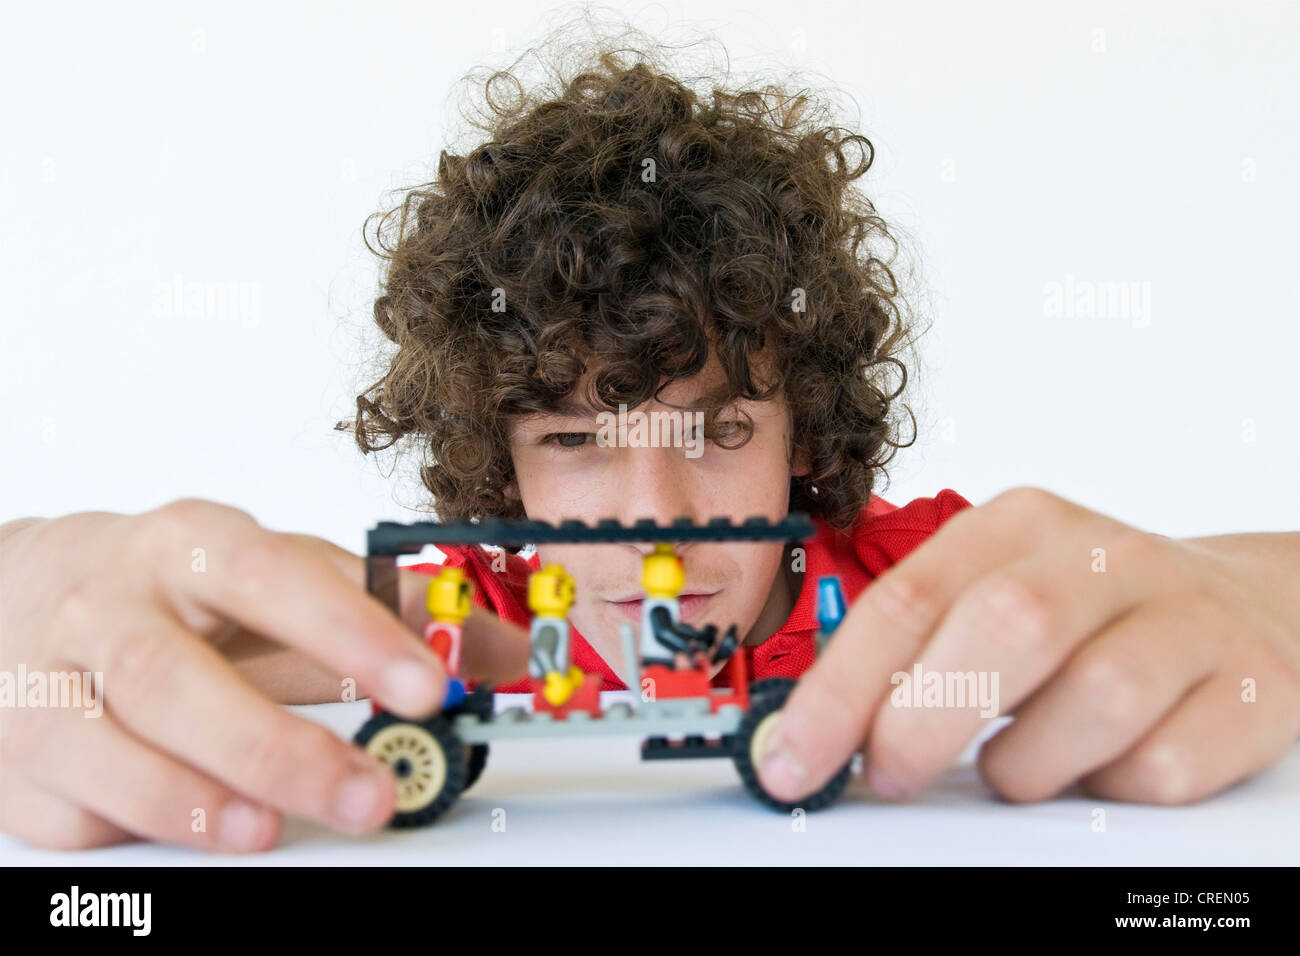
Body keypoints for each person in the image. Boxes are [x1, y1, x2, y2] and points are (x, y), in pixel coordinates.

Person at [2, 27, 1298, 854]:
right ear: (493, 461)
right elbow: (205, 636)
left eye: (720, 427)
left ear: (806, 433)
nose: (658, 506)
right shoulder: (463, 608)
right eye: (574, 438)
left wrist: (1254, 604)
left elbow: (1176, 590)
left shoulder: (910, 588)